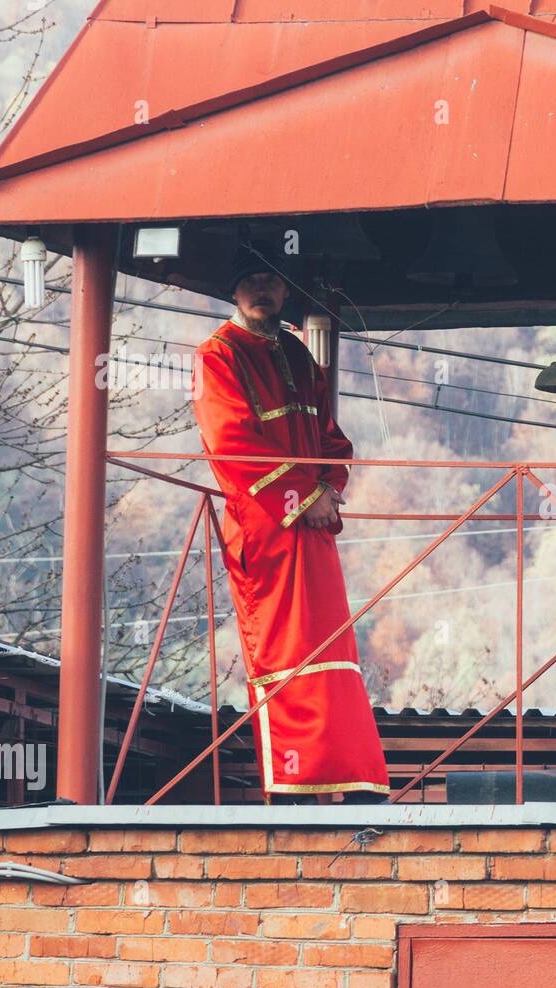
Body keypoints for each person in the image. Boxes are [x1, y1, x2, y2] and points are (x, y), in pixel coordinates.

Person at [191, 241, 389, 805]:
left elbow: (331, 437)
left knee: (329, 649)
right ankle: (297, 780)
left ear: (283, 289)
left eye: (271, 280)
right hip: (266, 531)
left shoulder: (300, 355)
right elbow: (232, 444)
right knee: (287, 649)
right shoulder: (216, 355)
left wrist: (329, 488)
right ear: (233, 290)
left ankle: (347, 775)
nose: (261, 290)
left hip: (313, 527)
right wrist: (304, 495)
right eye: (250, 280)